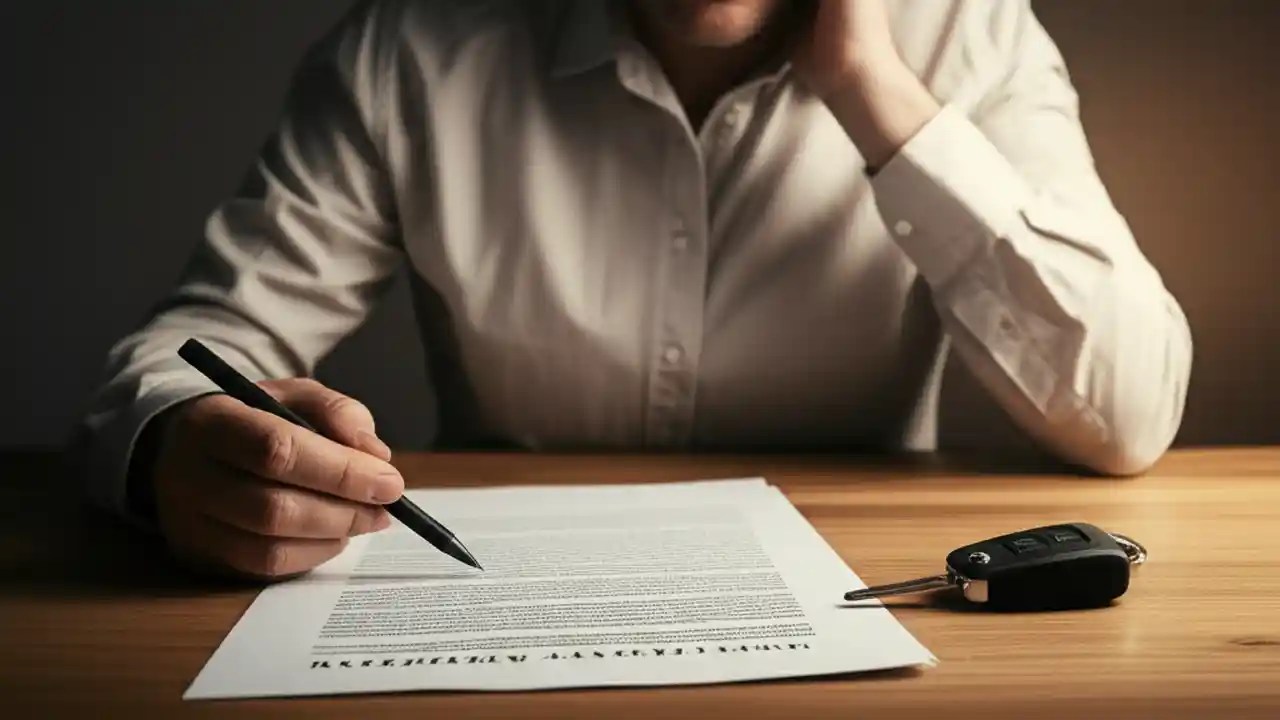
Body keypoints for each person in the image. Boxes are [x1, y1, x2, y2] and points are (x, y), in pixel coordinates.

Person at [75, 0, 1192, 580]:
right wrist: (179, 442)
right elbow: (205, 339)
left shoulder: (969, 35)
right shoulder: (411, 44)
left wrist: (873, 87)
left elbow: (1124, 411)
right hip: (496, 622)